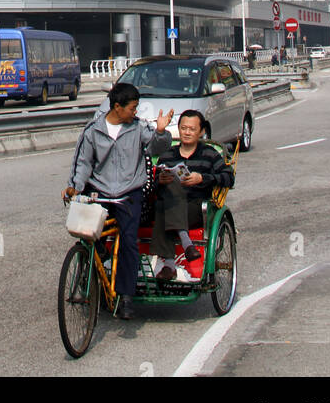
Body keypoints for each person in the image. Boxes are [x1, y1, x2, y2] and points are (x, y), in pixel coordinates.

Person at [64, 82, 173, 320]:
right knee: (89, 235)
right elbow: (83, 164)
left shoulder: (138, 128)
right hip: (100, 192)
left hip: (128, 194)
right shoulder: (92, 131)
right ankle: (93, 269)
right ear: (117, 107)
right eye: (133, 107)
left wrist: (162, 132)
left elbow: (157, 147)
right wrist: (74, 187)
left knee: (128, 242)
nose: (136, 112)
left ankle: (125, 295)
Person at [151, 109, 235, 281]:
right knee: (165, 197)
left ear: (201, 131)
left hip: (195, 206)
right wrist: (160, 181)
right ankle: (186, 243)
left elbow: (229, 177)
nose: (187, 132)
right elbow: (151, 186)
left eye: (192, 129)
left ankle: (169, 265)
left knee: (163, 208)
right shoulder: (167, 155)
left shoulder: (210, 154)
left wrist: (202, 178)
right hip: (168, 204)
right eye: (183, 128)